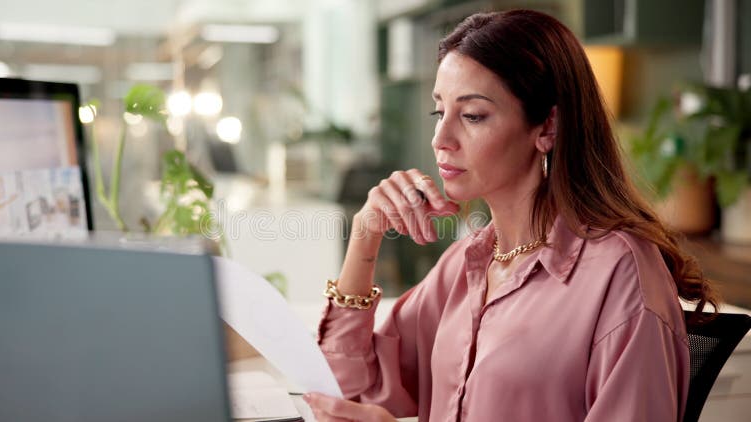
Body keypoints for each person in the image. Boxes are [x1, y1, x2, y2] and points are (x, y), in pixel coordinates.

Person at [302, 9, 718, 422]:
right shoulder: (466, 264)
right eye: (439, 112)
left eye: (472, 116)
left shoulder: (622, 273)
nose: (440, 139)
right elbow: (346, 392)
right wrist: (365, 233)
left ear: (547, 126)